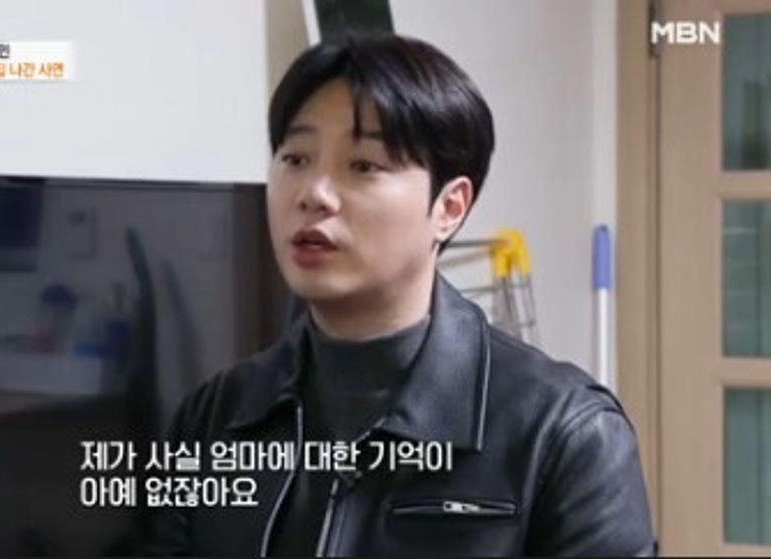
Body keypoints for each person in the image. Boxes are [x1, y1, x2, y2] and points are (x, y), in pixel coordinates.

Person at [143, 33, 656, 557]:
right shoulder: (215, 417)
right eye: (295, 158)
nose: (314, 194)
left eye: (363, 165)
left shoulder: (565, 435)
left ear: (449, 208)